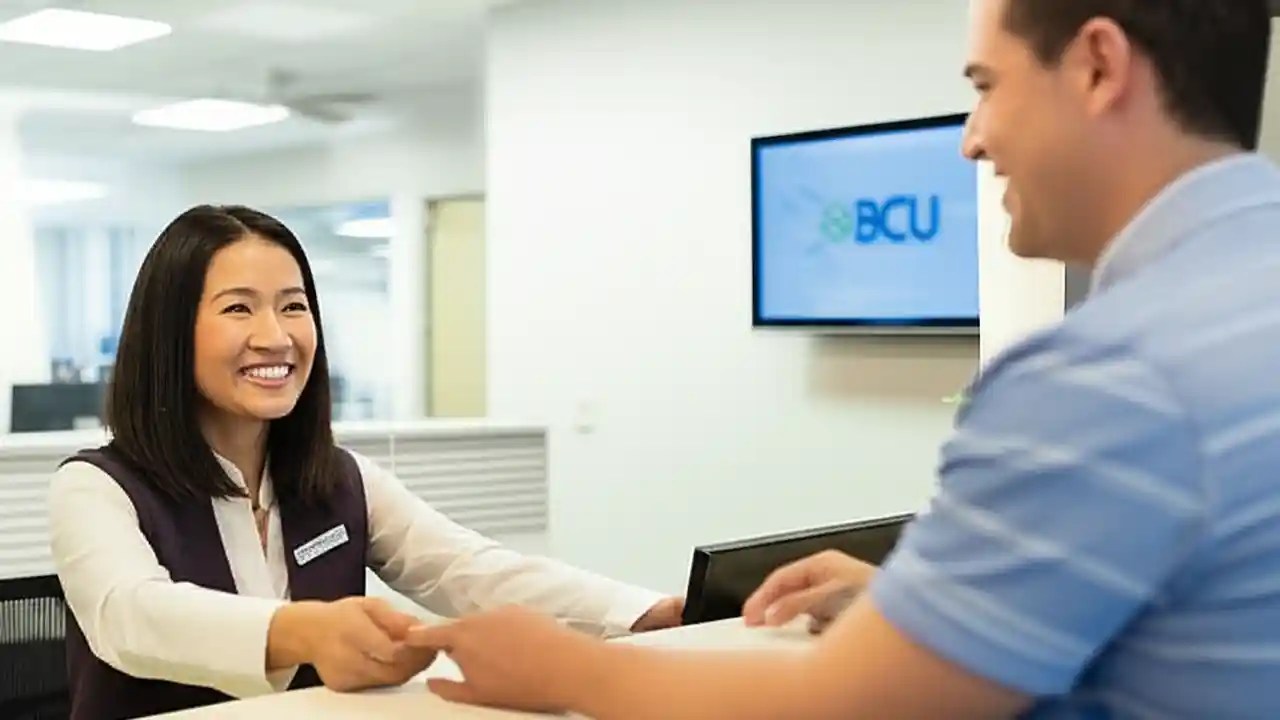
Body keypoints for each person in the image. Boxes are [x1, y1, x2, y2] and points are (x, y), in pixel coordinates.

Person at [404, 1, 1280, 718]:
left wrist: (566, 671)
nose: (972, 140)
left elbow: (852, 705)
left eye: (986, 88)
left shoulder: (1104, 372)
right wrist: (923, 612)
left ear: (1097, 66)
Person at [47, 204, 683, 720]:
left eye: (293, 305)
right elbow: (132, 616)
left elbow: (468, 569)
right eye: (239, 307)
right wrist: (306, 631)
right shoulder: (96, 488)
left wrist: (642, 613)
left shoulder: (339, 477)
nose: (276, 335)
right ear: (170, 334)